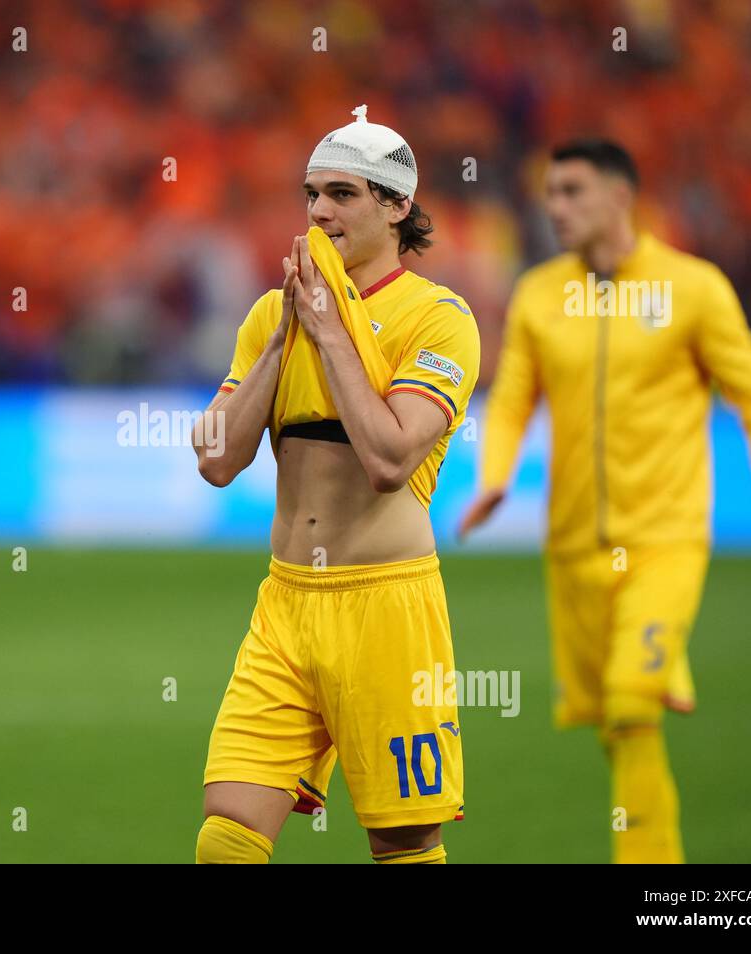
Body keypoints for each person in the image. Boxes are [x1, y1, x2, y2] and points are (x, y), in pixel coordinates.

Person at [458, 139, 751, 863]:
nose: (556, 208)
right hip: (574, 545)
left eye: (573, 191)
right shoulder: (539, 293)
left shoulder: (693, 288)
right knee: (615, 724)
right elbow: (515, 394)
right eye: (550, 194)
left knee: (631, 699)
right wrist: (494, 474)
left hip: (664, 538)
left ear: (620, 196)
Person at [192, 106, 480, 864]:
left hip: (387, 607)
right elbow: (217, 460)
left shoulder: (440, 320)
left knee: (402, 843)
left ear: (398, 207)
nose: (320, 211)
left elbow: (388, 461)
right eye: (312, 193)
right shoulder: (271, 316)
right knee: (226, 834)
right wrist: (286, 335)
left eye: (343, 194)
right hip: (285, 605)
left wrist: (329, 333)